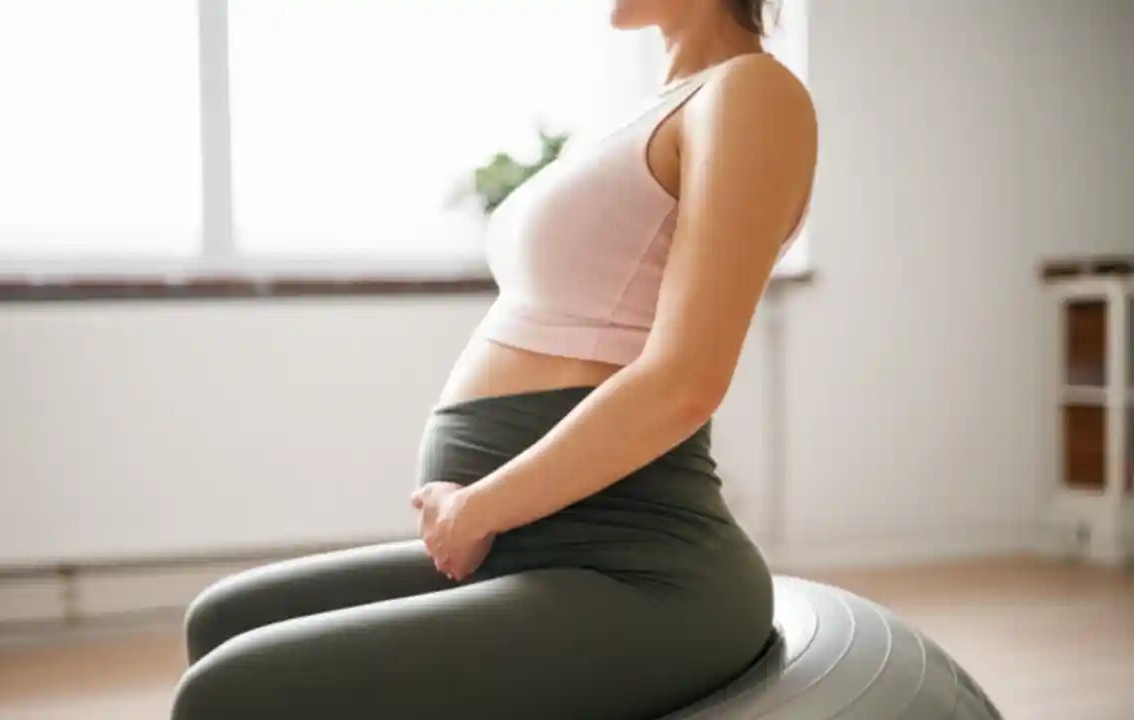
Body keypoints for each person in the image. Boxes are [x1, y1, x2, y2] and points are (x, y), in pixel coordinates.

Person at [172, 0, 816, 717]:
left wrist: (480, 506)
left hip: (639, 563)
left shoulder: (752, 94)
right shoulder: (656, 106)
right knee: (221, 622)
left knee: (225, 696)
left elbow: (686, 382)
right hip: (529, 542)